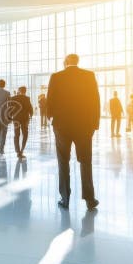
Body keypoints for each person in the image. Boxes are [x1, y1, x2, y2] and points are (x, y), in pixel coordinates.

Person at [46, 54, 100, 211]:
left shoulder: (56, 77)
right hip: (84, 126)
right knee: (86, 161)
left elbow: (50, 99)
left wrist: (52, 118)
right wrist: (94, 124)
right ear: (77, 61)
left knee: (63, 161)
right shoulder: (89, 75)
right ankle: (90, 199)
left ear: (66, 62)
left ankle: (65, 197)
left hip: (62, 126)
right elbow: (95, 100)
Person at [9, 86, 33, 159]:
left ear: (19, 91)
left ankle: (17, 151)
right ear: (25, 91)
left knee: (17, 134)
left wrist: (10, 116)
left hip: (16, 118)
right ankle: (22, 150)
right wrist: (31, 115)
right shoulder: (27, 98)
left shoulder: (13, 98)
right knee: (25, 134)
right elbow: (30, 108)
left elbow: (10, 108)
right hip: (25, 118)